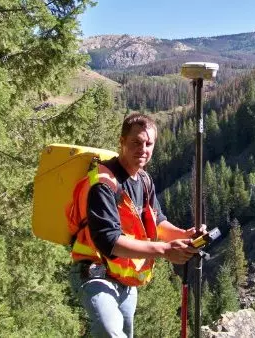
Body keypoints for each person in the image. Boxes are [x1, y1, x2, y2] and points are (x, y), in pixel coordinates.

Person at [69, 113, 205, 338]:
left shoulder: (143, 180)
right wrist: (164, 250)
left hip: (126, 280)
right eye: (136, 142)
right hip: (95, 273)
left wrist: (183, 234)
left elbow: (157, 221)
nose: (143, 149)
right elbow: (108, 241)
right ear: (122, 142)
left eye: (148, 143)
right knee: (109, 332)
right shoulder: (103, 183)